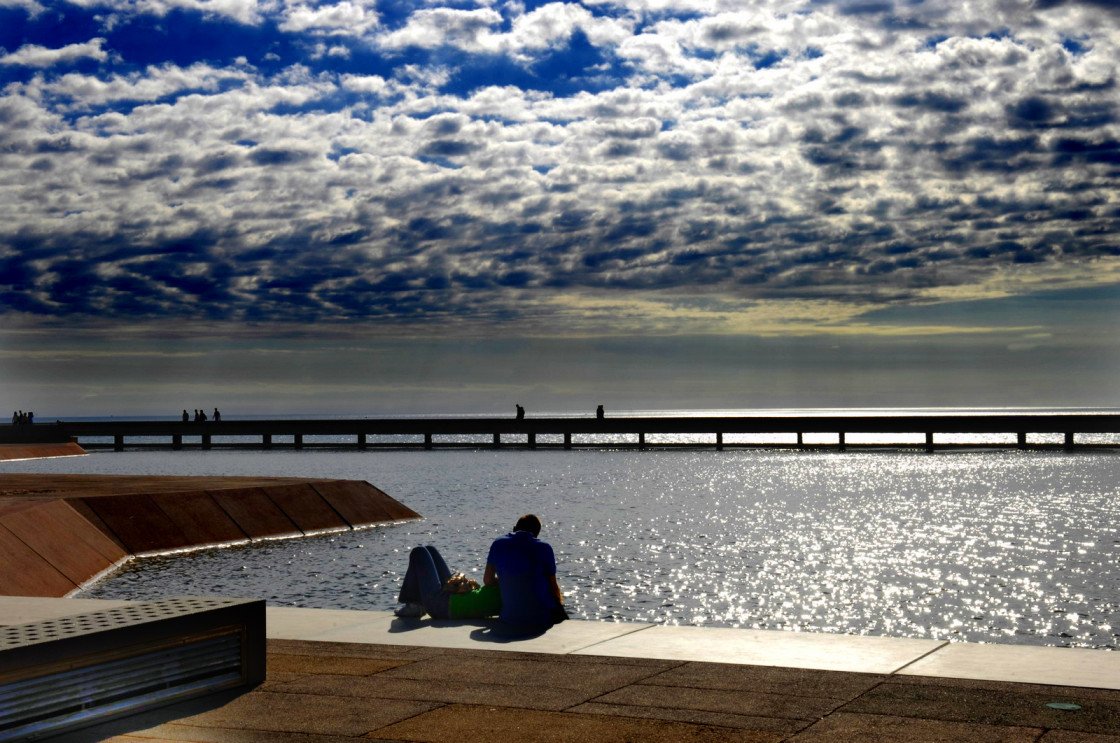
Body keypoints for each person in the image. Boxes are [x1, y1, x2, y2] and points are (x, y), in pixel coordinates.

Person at [484, 514, 565, 631]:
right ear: (536, 534)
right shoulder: (544, 548)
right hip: (541, 619)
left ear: (514, 529)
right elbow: (553, 587)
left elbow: (488, 581)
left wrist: (507, 583)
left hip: (509, 618)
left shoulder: (497, 544)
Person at [396, 545, 501, 620]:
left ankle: (414, 605)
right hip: (453, 597)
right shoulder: (510, 586)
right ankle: (416, 604)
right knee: (430, 549)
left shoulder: (511, 594)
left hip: (442, 606)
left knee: (419, 552)